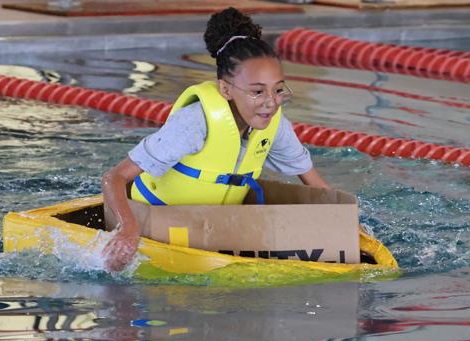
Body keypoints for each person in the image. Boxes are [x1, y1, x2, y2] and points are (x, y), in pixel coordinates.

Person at [101, 7, 332, 272]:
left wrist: (351, 228)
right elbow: (114, 178)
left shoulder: (274, 125)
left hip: (214, 227)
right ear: (226, 89)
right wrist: (128, 230)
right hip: (154, 219)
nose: (271, 103)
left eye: (278, 90)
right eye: (257, 92)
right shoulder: (194, 123)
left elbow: (316, 184)